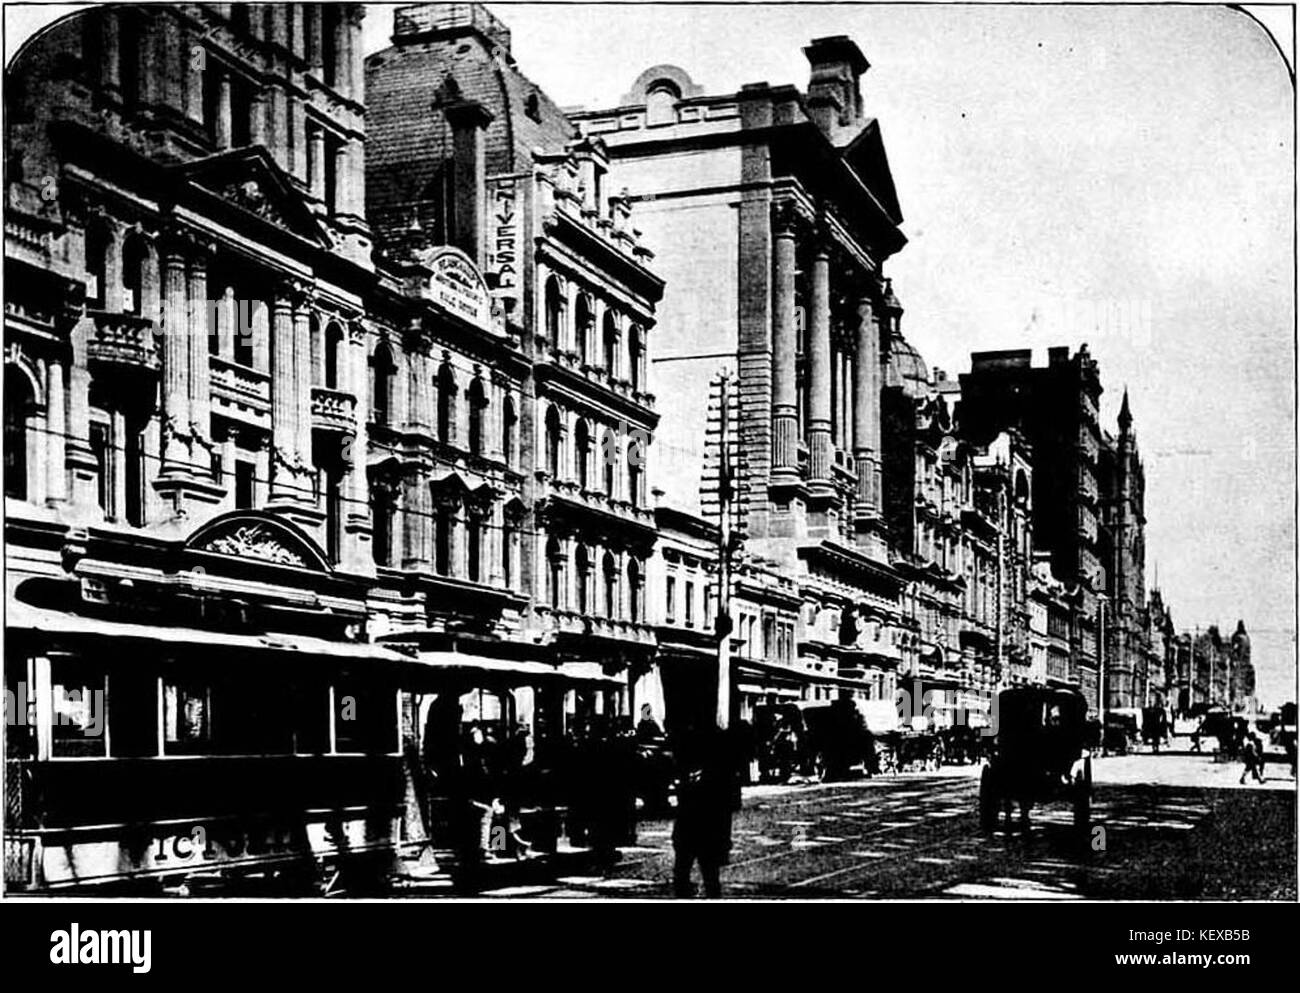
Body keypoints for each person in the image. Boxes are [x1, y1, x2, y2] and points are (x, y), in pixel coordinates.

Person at [671, 723, 737, 898]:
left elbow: (725, 809)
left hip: (703, 833)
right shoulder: (693, 775)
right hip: (696, 833)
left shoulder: (718, 777)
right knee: (695, 876)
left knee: (703, 877)